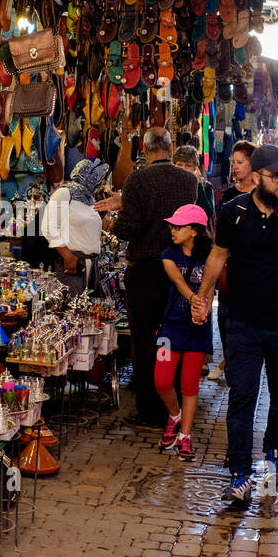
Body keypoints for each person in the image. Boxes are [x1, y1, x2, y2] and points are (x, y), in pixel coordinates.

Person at [191, 144, 278, 503]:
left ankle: (273, 453)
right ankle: (239, 472)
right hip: (242, 321)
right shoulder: (234, 211)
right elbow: (218, 257)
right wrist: (203, 297)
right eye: (276, 176)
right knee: (242, 395)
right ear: (256, 177)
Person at [96, 127, 198, 428]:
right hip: (178, 269)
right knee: (174, 336)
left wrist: (112, 222)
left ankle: (150, 409)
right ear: (170, 147)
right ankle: (175, 404)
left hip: (146, 270)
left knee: (143, 340)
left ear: (144, 148)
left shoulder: (137, 180)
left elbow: (128, 228)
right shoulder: (188, 181)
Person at [155, 205, 215, 462]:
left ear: (194, 231)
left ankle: (185, 436)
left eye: (178, 226)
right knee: (162, 380)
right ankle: (174, 415)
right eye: (172, 225)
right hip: (171, 326)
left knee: (190, 385)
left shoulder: (212, 256)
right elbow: (179, 283)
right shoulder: (169, 254)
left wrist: (205, 308)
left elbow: (211, 286)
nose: (172, 230)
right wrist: (195, 301)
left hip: (197, 330)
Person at [208, 139, 259, 383]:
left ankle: (236, 366)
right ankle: (230, 360)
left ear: (252, 164)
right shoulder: (229, 194)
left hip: (253, 273)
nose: (235, 167)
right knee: (225, 320)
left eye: (240, 162)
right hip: (229, 270)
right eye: (232, 162)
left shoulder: (263, 195)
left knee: (244, 324)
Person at [42, 158, 109, 295]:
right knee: (70, 309)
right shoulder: (64, 193)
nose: (100, 182)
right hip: (73, 265)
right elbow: (48, 226)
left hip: (91, 265)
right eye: (98, 177)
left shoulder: (89, 198)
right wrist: (67, 256)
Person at [172, 145, 214, 227]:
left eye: (188, 166)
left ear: (195, 168)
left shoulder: (206, 186)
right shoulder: (171, 185)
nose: (183, 169)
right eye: (179, 164)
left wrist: (198, 185)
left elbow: (207, 213)